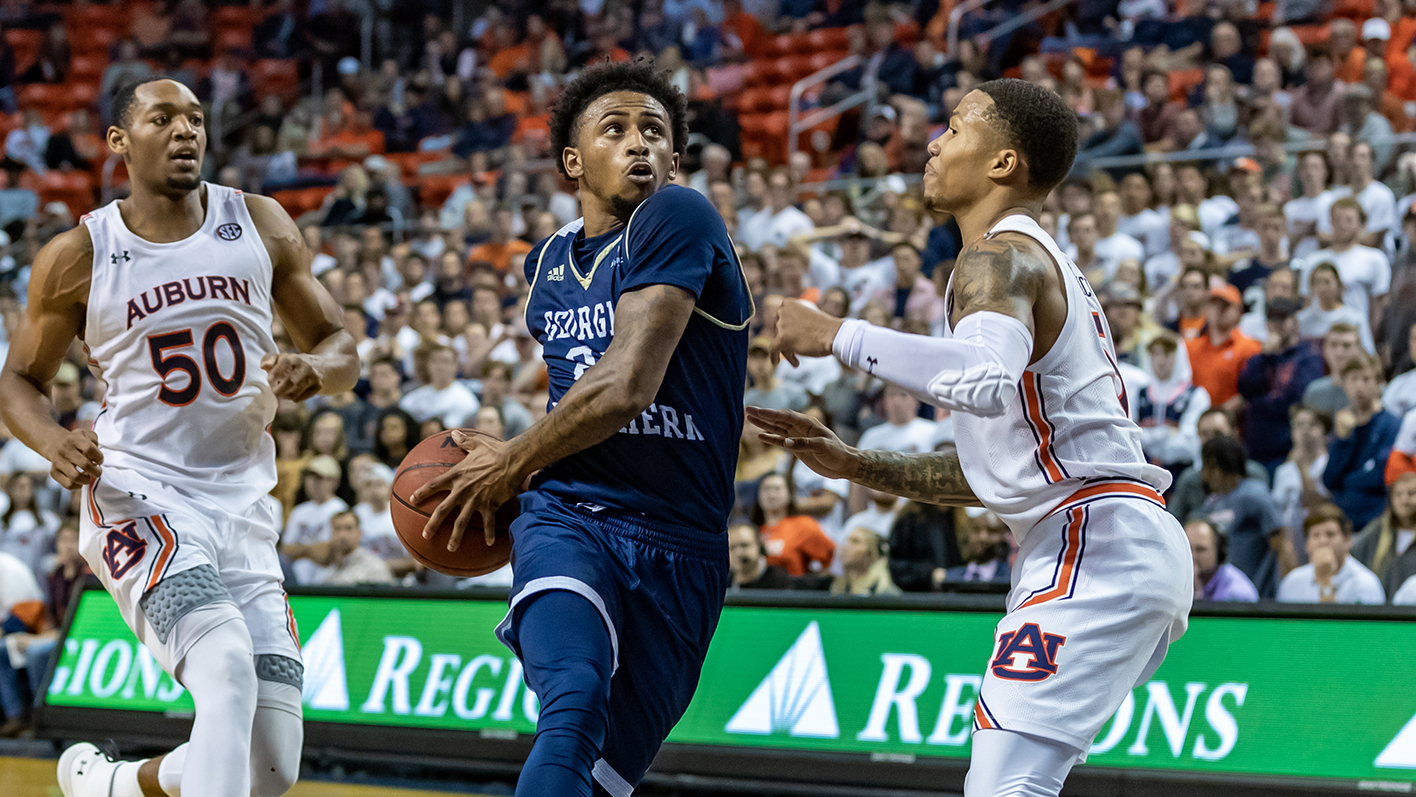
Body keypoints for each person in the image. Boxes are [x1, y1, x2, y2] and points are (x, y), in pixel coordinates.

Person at [754, 79, 1191, 796]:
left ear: (1003, 164)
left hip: (1094, 539)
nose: (933, 141)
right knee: (1017, 781)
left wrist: (838, 334)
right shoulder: (1029, 263)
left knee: (1003, 786)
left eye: (955, 128)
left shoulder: (998, 257)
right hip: (1100, 534)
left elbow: (983, 379)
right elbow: (1003, 465)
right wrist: (853, 462)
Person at [0, 78, 359, 796]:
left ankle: (110, 786)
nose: (186, 131)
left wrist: (314, 368)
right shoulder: (80, 253)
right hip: (139, 493)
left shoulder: (259, 222)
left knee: (270, 765)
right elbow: (17, 382)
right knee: (222, 664)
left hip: (244, 508)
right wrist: (53, 441)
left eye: (195, 118)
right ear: (120, 142)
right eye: (162, 119)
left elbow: (340, 342)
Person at [409, 61, 752, 797]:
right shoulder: (546, 265)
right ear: (574, 160)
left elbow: (626, 383)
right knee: (572, 703)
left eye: (655, 133)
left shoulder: (679, 215)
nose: (640, 145)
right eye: (616, 129)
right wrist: (522, 466)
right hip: (570, 515)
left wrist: (511, 460)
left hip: (681, 545)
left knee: (599, 781)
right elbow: (578, 392)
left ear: (676, 158)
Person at [1237, 297, 1326, 473]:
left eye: (1282, 318)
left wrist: (1262, 403)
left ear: (1294, 321)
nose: (1276, 324)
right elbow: (1245, 388)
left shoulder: (1307, 356)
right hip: (1256, 447)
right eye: (1271, 319)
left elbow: (1298, 397)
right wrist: (1266, 357)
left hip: (1288, 447)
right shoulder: (1260, 358)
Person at [1198, 436, 1294, 598]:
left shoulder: (1254, 495)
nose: (1203, 476)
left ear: (1214, 466)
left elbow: (1282, 543)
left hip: (1255, 595)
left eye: (1205, 468)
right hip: (1222, 596)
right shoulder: (1211, 504)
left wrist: (1286, 593)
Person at [1324, 354, 1402, 529]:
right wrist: (1342, 440)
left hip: (1376, 516)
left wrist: (1348, 480)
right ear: (1344, 385)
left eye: (1366, 379)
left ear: (1377, 383)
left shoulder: (1391, 424)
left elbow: (1380, 477)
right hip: (1344, 517)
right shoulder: (1342, 426)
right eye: (1353, 379)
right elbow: (1329, 479)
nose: (1360, 386)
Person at [1277, 503, 1386, 603]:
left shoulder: (1366, 584)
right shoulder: (1292, 582)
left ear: (1347, 541)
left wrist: (1325, 580)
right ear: (1307, 544)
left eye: (1330, 534)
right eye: (1316, 535)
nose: (1323, 541)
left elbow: (1331, 623)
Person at [1186, 283, 1262, 411]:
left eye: (1226, 306)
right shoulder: (1191, 347)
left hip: (1234, 422)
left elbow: (1253, 392)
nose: (1219, 309)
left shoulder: (1250, 348)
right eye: (1214, 304)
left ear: (1238, 311)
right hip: (1195, 418)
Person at [1271, 406, 1332, 551]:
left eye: (1312, 424)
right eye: (1299, 425)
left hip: (1323, 538)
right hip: (1293, 542)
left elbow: (1313, 502)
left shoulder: (1330, 466)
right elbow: (1277, 512)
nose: (1305, 430)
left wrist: (1301, 467)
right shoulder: (1283, 471)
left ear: (1325, 432)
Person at [752, 472, 836, 576]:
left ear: (789, 493)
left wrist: (816, 586)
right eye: (766, 489)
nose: (771, 494)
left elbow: (832, 556)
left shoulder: (803, 525)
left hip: (792, 588)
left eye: (777, 489)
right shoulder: (752, 531)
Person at [1351, 471, 1416, 599]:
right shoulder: (1377, 530)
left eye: (1411, 493)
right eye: (1398, 494)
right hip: (1381, 609)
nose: (1404, 499)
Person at [1297, 262, 1376, 352]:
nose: (1322, 288)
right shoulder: (1303, 319)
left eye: (1327, 282)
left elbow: (1368, 351)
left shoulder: (1354, 318)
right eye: (1317, 282)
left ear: (1338, 285)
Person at [399, 343, 480, 428]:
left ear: (455, 366)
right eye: (435, 361)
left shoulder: (465, 400)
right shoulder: (416, 396)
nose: (440, 366)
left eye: (445, 361)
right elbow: (402, 411)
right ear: (428, 364)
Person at [1185, 518, 1259, 602]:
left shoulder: (1238, 594)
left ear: (1219, 551)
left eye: (1201, 549)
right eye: (1187, 549)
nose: (1192, 556)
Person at [1302, 322, 1367, 417]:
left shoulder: (1371, 389)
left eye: (1346, 345)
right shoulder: (1314, 392)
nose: (1339, 353)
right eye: (1333, 345)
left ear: (1359, 349)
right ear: (1325, 350)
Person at [944, 507, 1011, 585]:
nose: (983, 537)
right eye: (976, 529)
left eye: (992, 531)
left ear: (1005, 535)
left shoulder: (1011, 580)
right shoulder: (950, 579)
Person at [829, 527, 900, 595]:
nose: (845, 547)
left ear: (871, 552)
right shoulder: (837, 586)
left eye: (855, 541)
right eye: (847, 541)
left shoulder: (884, 591)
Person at [727, 523, 795, 590]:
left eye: (744, 545)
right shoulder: (723, 584)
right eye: (732, 548)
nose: (739, 553)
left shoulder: (781, 581)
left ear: (759, 545)